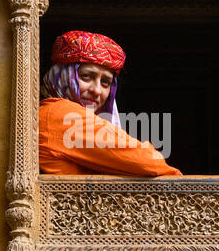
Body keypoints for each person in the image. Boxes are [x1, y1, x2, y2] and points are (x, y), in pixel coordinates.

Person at [39, 30, 181, 177]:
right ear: (62, 76)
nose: (97, 90)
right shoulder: (61, 113)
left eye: (105, 82)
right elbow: (149, 162)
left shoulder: (51, 111)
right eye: (86, 76)